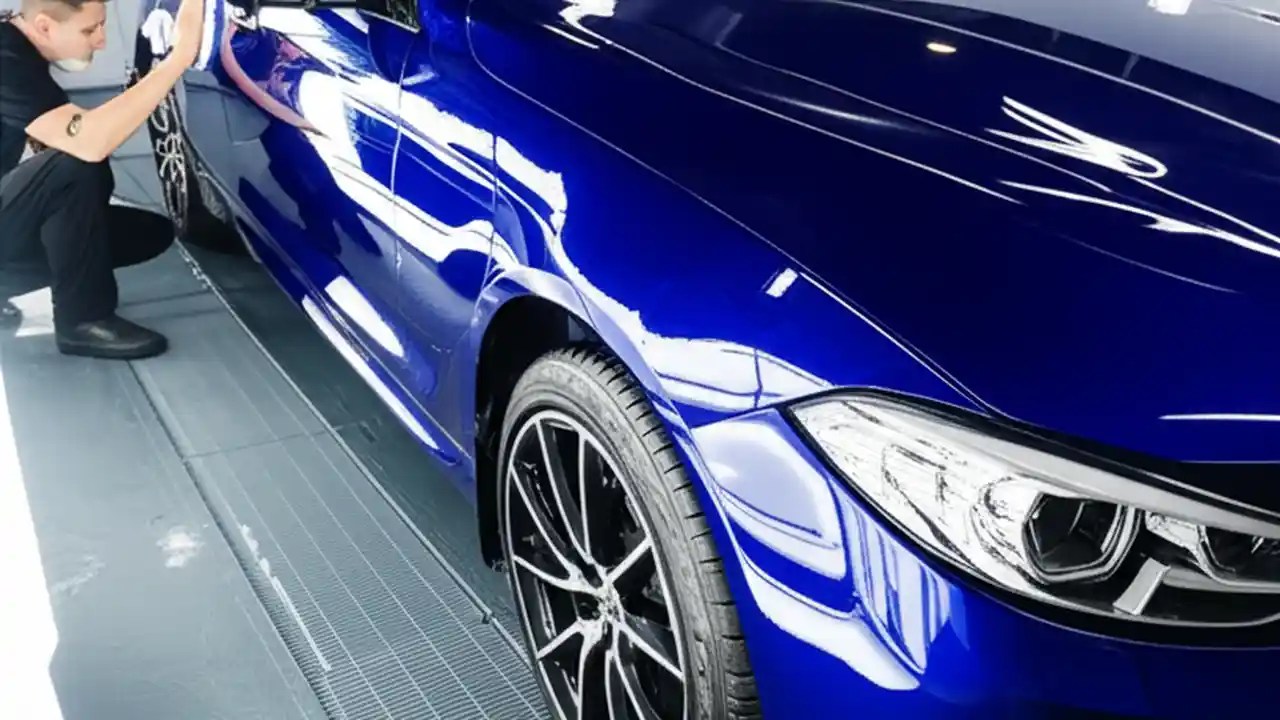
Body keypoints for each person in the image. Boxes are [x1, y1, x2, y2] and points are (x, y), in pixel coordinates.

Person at [0, 0, 204, 359]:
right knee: (77, 166)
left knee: (144, 233)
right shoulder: (4, 59)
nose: (101, 41)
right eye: (89, 29)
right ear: (45, 26)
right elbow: (87, 142)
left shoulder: (15, 47)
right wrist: (179, 58)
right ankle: (83, 321)